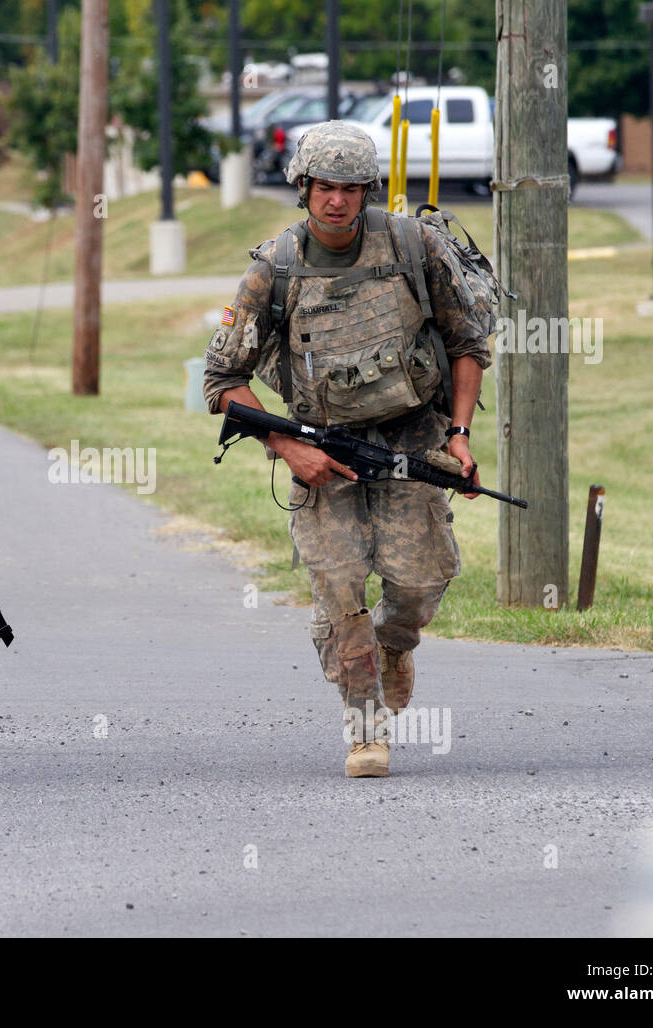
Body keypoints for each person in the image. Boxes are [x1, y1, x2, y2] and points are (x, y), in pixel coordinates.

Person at [202, 122, 492, 778]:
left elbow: (467, 342)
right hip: (322, 451)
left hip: (414, 437)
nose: (337, 200)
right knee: (338, 589)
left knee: (418, 584)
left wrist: (460, 435)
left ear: (369, 191)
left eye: (351, 188)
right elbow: (221, 382)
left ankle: (395, 645)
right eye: (325, 187)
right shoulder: (274, 267)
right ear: (303, 187)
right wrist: (284, 444)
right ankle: (366, 729)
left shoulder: (414, 246)